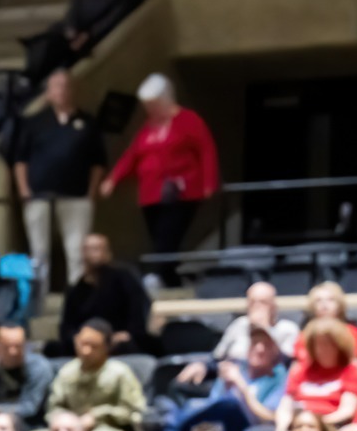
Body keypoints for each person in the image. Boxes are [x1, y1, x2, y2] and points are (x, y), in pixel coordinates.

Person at [101, 74, 220, 262]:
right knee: (160, 239)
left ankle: (157, 273)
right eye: (147, 105)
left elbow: (206, 151)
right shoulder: (147, 127)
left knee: (167, 239)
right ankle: (169, 275)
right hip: (151, 194)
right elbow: (132, 155)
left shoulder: (190, 121)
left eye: (153, 104)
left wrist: (208, 183)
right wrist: (113, 178)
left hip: (181, 192)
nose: (149, 109)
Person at [13, 70, 107, 286]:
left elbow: (98, 161)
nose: (61, 91)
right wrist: (24, 189)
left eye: (65, 86)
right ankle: (40, 295)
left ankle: (78, 292)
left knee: (77, 249)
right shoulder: (34, 122)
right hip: (38, 194)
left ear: (72, 90)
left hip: (76, 194)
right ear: (48, 92)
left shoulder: (87, 122)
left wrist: (91, 191)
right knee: (39, 251)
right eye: (56, 86)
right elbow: (20, 160)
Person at [27, 320, 146, 431]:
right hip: (67, 429)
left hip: (107, 430)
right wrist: (67, 423)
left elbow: (134, 411)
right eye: (83, 344)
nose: (86, 351)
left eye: (94, 346)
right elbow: (53, 408)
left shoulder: (119, 373)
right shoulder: (66, 372)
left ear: (107, 347)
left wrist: (98, 416)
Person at [169, 323, 288, 431]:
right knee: (176, 398)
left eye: (266, 345)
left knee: (230, 405)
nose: (259, 349)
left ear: (275, 351)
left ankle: (177, 425)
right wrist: (226, 386)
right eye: (254, 343)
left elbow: (268, 418)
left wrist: (241, 386)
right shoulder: (236, 367)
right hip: (216, 426)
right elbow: (214, 402)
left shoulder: (279, 377)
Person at [54, 233, 151, 356]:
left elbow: (138, 311)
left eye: (98, 248)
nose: (94, 254)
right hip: (86, 342)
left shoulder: (124, 278)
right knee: (52, 348)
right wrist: (78, 338)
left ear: (107, 252)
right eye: (89, 249)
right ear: (82, 253)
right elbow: (67, 326)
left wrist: (127, 334)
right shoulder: (76, 289)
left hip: (119, 341)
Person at [279, 319, 357, 431]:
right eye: (319, 344)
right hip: (298, 426)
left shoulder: (352, 369)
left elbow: (347, 410)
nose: (324, 349)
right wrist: (282, 428)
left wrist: (313, 425)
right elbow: (285, 406)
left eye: (329, 344)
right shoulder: (301, 369)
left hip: (332, 427)